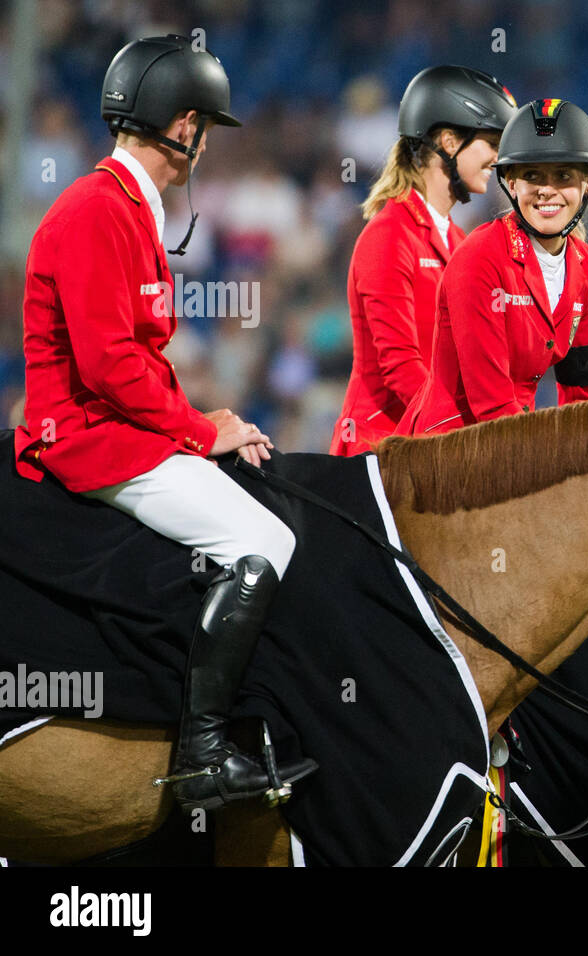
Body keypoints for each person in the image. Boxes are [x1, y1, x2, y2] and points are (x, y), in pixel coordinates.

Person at [13, 35, 315, 809]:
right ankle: (203, 757)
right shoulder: (94, 210)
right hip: (86, 441)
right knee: (264, 541)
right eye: (204, 126)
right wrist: (196, 432)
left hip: (119, 428)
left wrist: (201, 417)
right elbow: (110, 365)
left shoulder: (125, 209)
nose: (205, 142)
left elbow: (137, 361)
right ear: (182, 126)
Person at [329, 66, 516, 455]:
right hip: (380, 454)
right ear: (448, 141)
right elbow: (400, 367)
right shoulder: (388, 236)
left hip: (432, 451)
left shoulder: (461, 242)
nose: (498, 160)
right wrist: (462, 438)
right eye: (491, 143)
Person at [398, 98, 588, 434]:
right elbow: (491, 406)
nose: (547, 191)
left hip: (516, 446)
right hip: (447, 448)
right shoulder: (479, 257)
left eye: (563, 175)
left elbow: (581, 393)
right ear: (510, 183)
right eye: (532, 176)